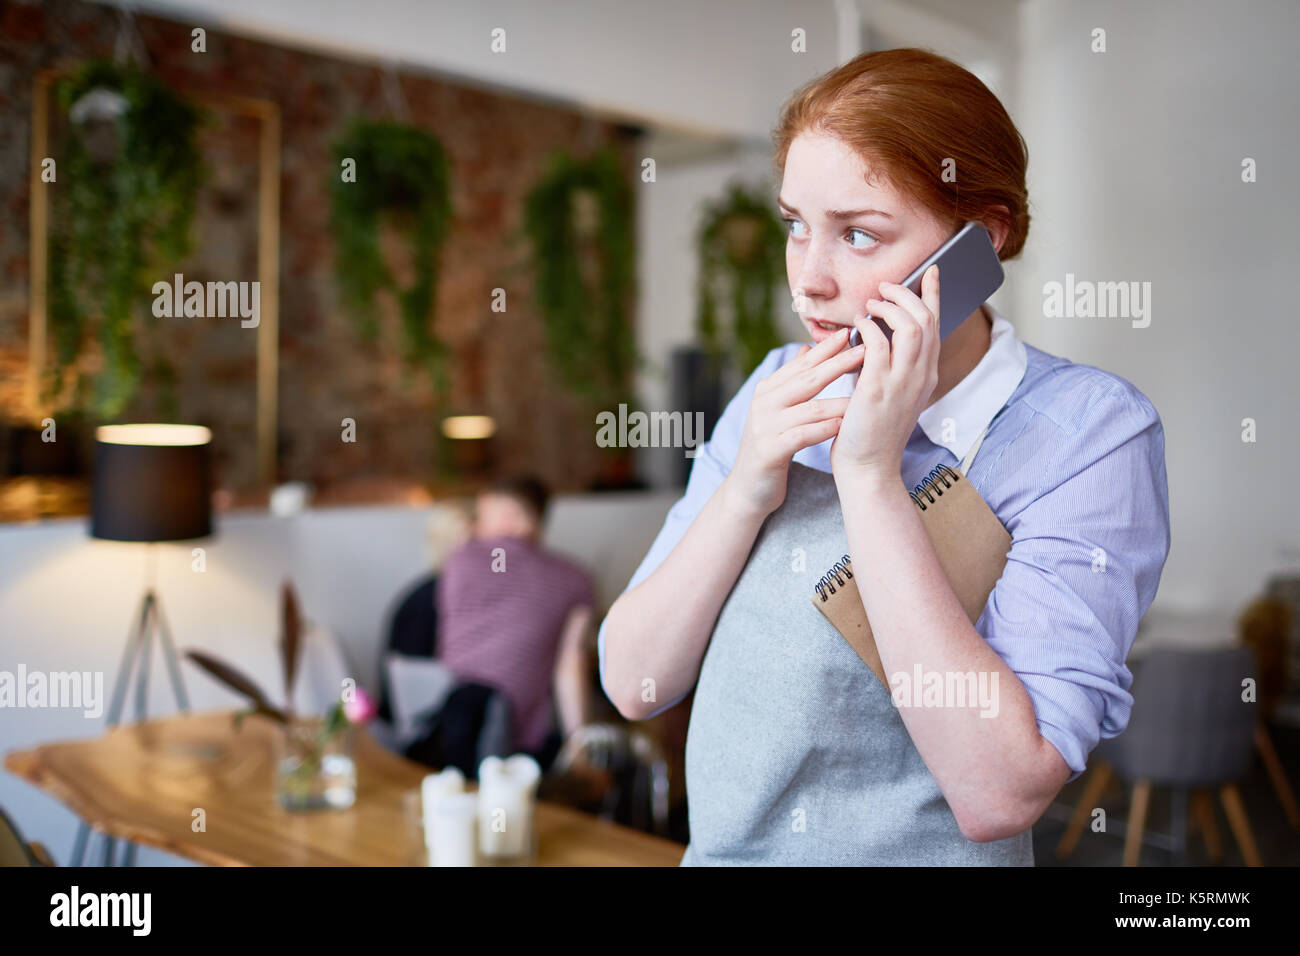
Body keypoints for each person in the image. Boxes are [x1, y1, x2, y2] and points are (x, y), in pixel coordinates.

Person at [598, 48, 1171, 865]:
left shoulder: (1088, 436)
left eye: (859, 235)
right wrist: (745, 489)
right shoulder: (773, 391)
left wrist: (870, 477)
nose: (809, 283)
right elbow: (635, 684)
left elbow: (1000, 793)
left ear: (982, 242)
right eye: (796, 225)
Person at [436, 475, 596, 773]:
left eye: (481, 516)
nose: (477, 526)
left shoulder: (459, 560)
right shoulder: (576, 580)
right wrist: (578, 744)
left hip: (454, 718)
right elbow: (570, 666)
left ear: (509, 517)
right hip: (520, 737)